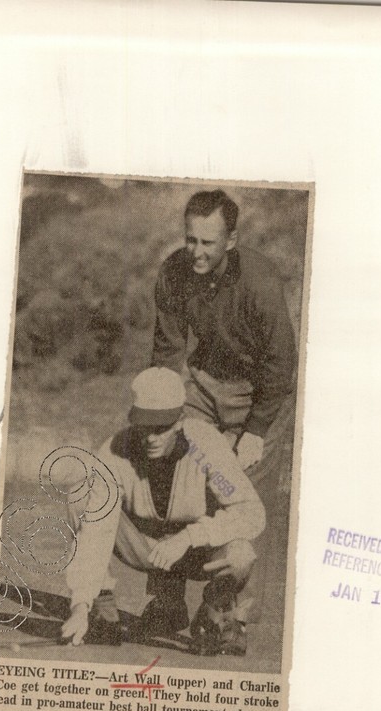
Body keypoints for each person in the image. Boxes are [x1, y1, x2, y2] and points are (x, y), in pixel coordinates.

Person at [151, 189, 297, 618]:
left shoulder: (260, 281)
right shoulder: (174, 272)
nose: (196, 251)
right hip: (204, 383)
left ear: (231, 240)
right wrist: (161, 414)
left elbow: (280, 362)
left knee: (247, 498)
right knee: (175, 470)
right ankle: (166, 600)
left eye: (207, 243)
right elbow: (167, 351)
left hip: (259, 392)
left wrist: (256, 430)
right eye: (190, 239)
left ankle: (227, 615)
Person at [61, 367, 265, 656]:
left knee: (240, 554)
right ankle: (99, 607)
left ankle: (215, 614)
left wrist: (189, 537)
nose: (151, 438)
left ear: (180, 422)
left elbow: (251, 512)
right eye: (144, 426)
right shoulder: (115, 452)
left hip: (196, 552)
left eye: (162, 428)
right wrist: (80, 605)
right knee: (81, 496)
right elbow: (95, 530)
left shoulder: (206, 445)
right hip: (146, 547)